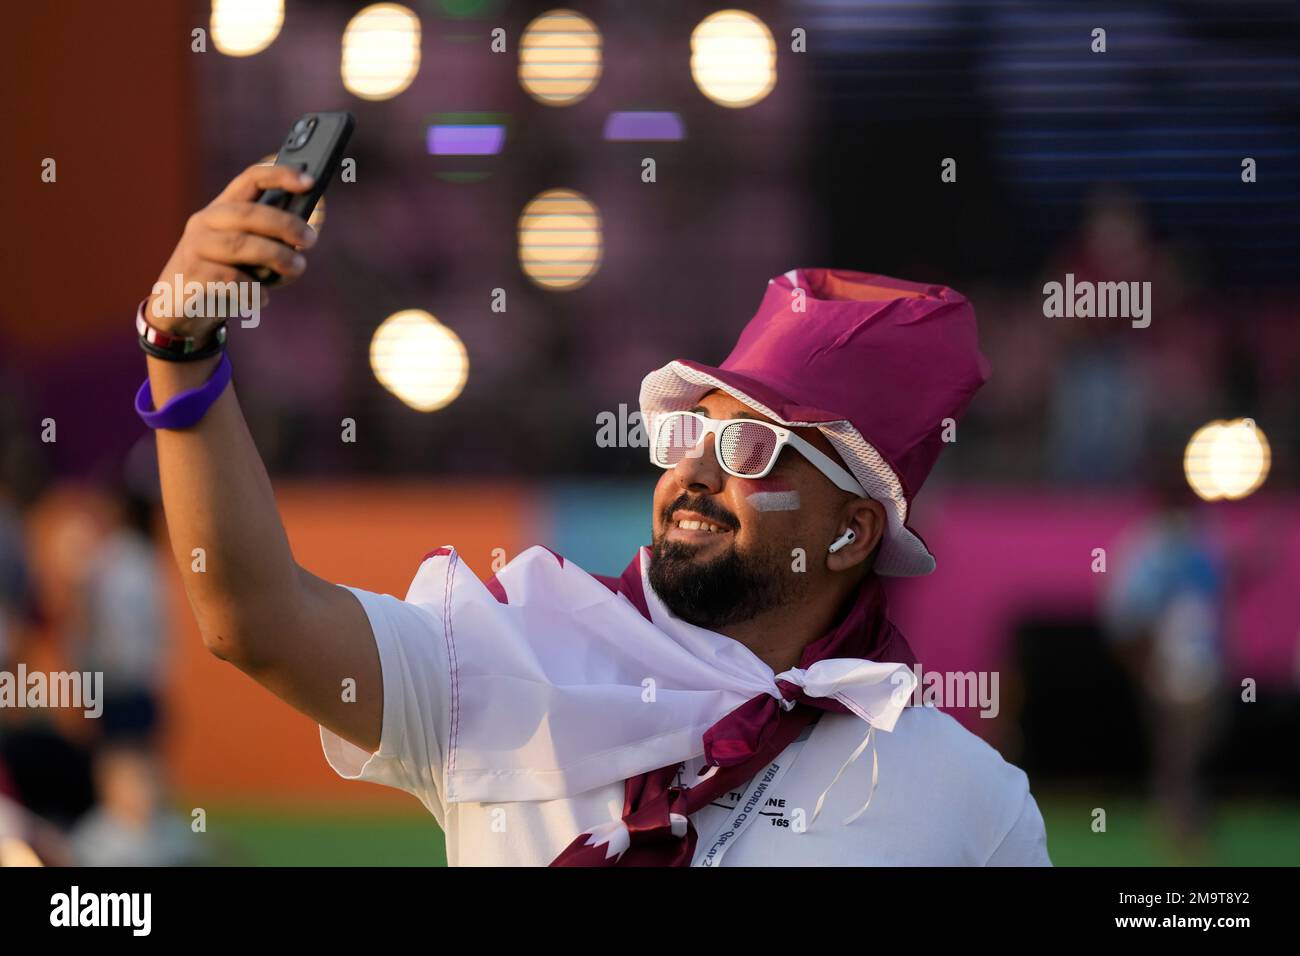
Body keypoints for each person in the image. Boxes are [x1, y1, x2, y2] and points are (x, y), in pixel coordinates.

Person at [136, 164, 1050, 866]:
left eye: (748, 450)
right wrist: (182, 349)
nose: (693, 472)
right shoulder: (504, 662)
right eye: (690, 435)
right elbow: (252, 620)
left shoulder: (967, 801)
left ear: (852, 530)